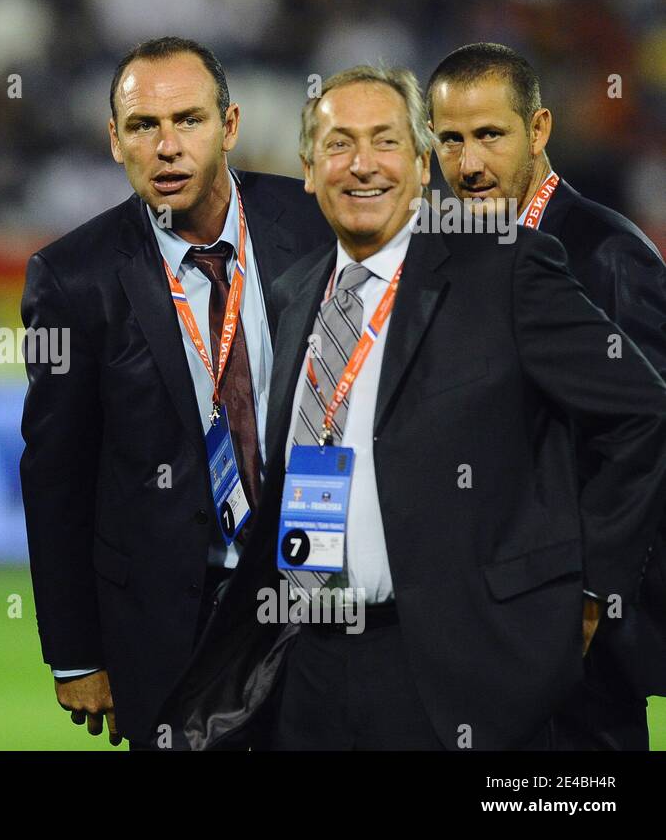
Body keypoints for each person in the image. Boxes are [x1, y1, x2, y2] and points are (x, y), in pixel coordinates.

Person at [175, 65, 666, 750]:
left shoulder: (504, 268)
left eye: (385, 141)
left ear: (421, 164)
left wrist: (592, 588)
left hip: (447, 669)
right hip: (308, 663)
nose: (363, 164)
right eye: (339, 144)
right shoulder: (292, 296)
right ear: (309, 170)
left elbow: (643, 411)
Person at [19, 36, 332, 747]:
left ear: (229, 126)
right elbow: (54, 475)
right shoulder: (71, 277)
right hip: (171, 633)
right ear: (113, 140)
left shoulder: (313, 223)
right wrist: (75, 652)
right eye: (142, 126)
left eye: (187, 121)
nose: (166, 146)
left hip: (314, 604)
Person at [428, 42, 666, 750]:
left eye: (489, 135)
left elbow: (651, 432)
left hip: (580, 659)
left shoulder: (604, 253)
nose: (468, 165)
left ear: (538, 131)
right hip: (478, 631)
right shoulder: (452, 257)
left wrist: (593, 595)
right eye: (450, 140)